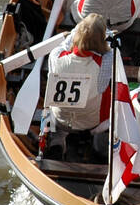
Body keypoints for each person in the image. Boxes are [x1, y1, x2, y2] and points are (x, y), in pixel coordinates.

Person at [45, 14, 114, 143]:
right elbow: (112, 50)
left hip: (59, 120)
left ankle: (58, 139)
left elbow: (67, 43)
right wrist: (106, 34)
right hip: (94, 125)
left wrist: (79, 30)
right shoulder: (105, 62)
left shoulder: (56, 56)